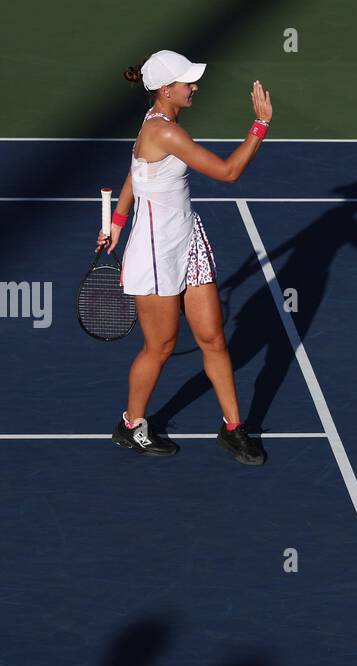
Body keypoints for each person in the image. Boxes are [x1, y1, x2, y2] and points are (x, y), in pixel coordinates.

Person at [97, 49, 270, 463]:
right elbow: (229, 172)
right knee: (161, 346)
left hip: (187, 241)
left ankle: (233, 428)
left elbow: (134, 173)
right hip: (157, 252)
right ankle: (131, 424)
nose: (194, 87)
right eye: (187, 83)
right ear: (164, 89)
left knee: (212, 338)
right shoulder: (167, 133)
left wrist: (118, 219)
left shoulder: (160, 123)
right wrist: (260, 124)